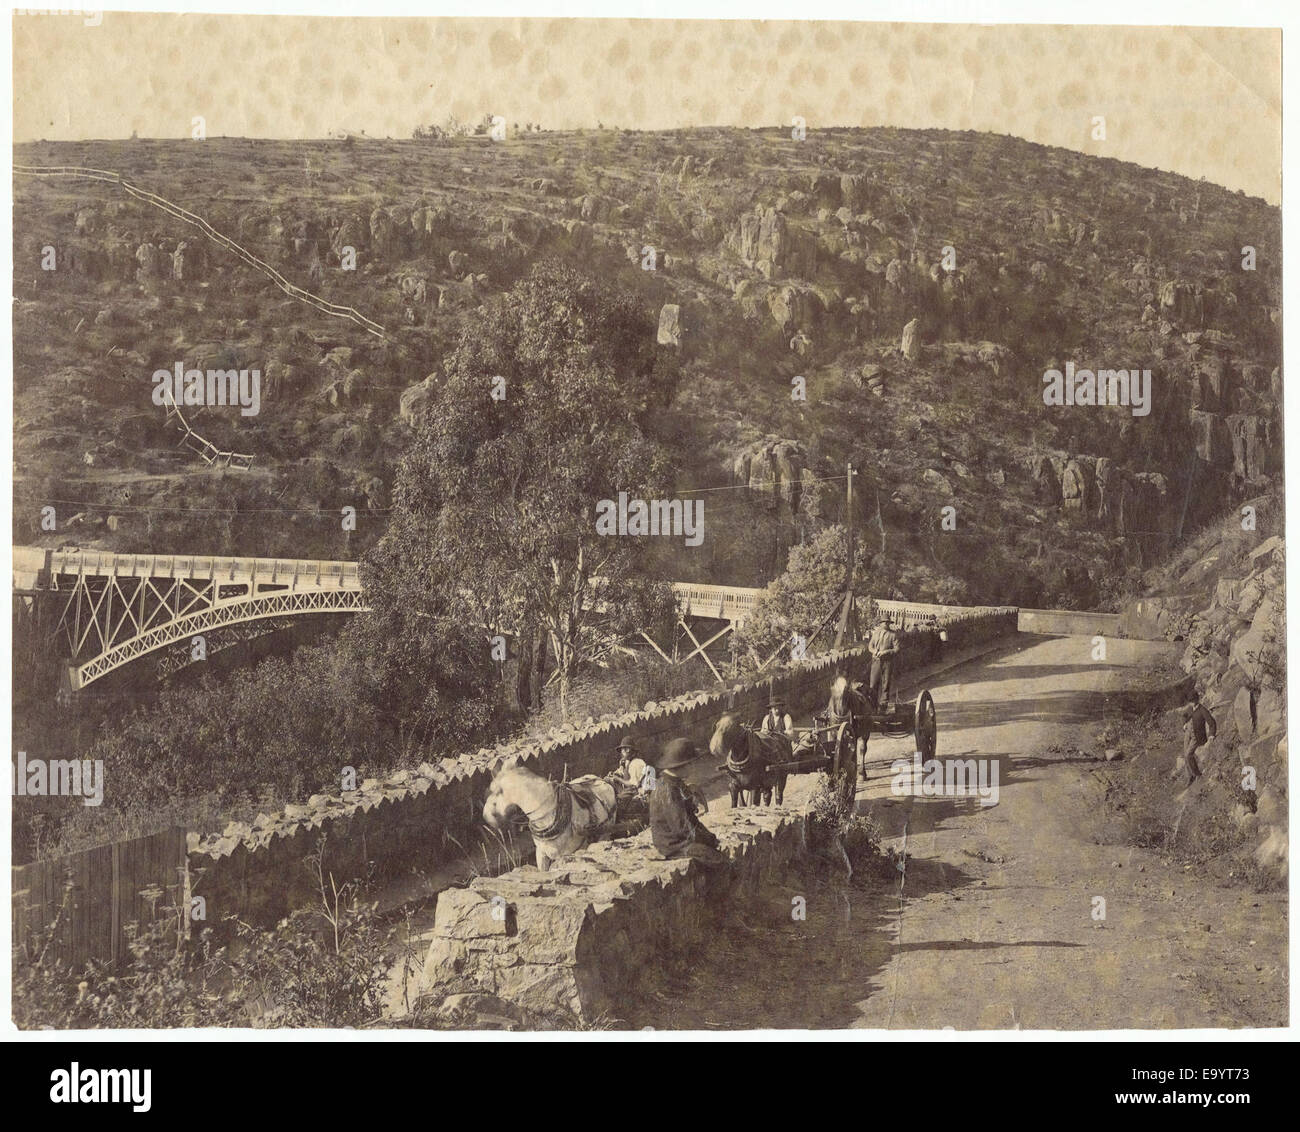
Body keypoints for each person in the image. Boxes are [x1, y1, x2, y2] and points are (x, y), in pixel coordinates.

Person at [647, 739, 728, 867]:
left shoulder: (674, 783)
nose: (694, 767)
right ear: (682, 765)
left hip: (679, 840)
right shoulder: (668, 789)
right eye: (691, 763)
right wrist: (707, 840)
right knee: (721, 861)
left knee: (715, 851)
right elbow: (682, 828)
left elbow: (691, 819)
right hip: (672, 845)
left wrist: (709, 837)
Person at [1177, 689, 1217, 788]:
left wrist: (1211, 735)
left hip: (1196, 737)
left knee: (1188, 755)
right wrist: (1184, 724)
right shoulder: (1190, 708)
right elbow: (1184, 716)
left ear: (1197, 699)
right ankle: (1190, 776)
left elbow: (1212, 723)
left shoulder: (1202, 710)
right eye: (1190, 701)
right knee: (1185, 754)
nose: (1192, 703)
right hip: (1188, 733)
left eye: (1193, 700)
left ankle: (1198, 774)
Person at [867, 614, 901, 706]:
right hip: (876, 661)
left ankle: (883, 705)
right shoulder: (876, 633)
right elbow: (870, 646)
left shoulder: (893, 635)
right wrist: (874, 651)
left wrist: (886, 652)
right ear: (881, 623)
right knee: (873, 684)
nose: (886, 624)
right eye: (884, 622)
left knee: (885, 684)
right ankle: (873, 705)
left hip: (887, 662)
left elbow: (897, 649)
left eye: (887, 622)